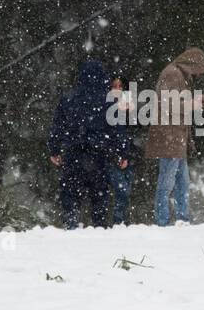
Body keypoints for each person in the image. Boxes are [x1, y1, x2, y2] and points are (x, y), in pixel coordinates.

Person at [144, 47, 204, 226]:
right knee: (167, 183)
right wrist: (193, 104)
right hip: (169, 136)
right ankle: (163, 221)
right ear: (192, 64)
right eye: (200, 70)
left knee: (182, 182)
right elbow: (167, 104)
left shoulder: (182, 75)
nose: (200, 75)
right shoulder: (172, 74)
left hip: (176, 138)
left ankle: (182, 219)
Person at [47, 60, 114, 229]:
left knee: (70, 193)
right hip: (98, 153)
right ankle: (99, 227)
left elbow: (58, 126)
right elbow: (115, 129)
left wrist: (54, 149)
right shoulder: (108, 100)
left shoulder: (69, 98)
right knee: (99, 195)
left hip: (73, 152)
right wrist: (119, 152)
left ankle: (71, 223)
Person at [105, 76, 140, 226]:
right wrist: (119, 155)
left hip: (128, 155)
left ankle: (123, 223)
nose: (117, 89)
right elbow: (114, 133)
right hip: (113, 156)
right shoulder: (106, 106)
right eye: (114, 86)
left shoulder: (129, 105)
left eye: (120, 86)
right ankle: (117, 223)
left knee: (125, 193)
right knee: (121, 191)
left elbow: (134, 130)